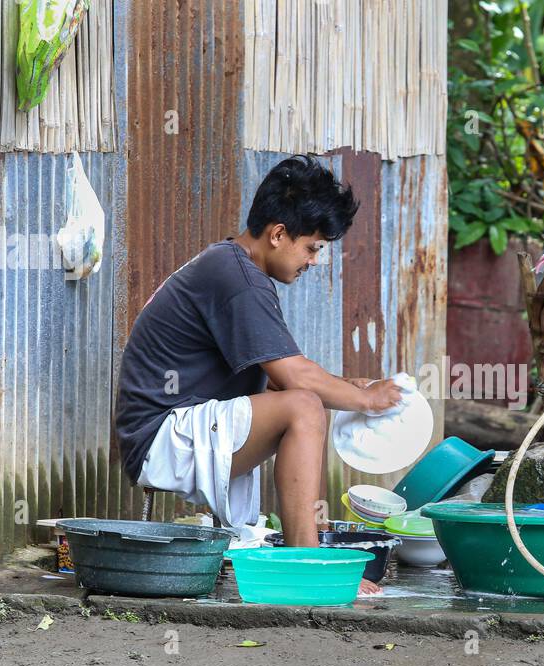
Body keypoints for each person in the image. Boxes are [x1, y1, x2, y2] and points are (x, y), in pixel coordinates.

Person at [115, 155, 402, 595]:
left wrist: (344, 386)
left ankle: (309, 548)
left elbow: (282, 376)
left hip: (177, 431)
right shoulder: (237, 276)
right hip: (161, 438)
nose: (313, 261)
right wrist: (365, 399)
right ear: (278, 233)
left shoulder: (233, 266)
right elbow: (294, 377)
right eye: (312, 248)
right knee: (305, 405)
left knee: (305, 400)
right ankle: (308, 564)